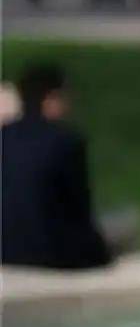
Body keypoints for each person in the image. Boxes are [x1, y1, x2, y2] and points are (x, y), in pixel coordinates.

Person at [1, 64, 112, 269]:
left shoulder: (4, 136)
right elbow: (78, 209)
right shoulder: (66, 142)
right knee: (123, 226)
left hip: (6, 250)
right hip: (52, 255)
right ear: (51, 98)